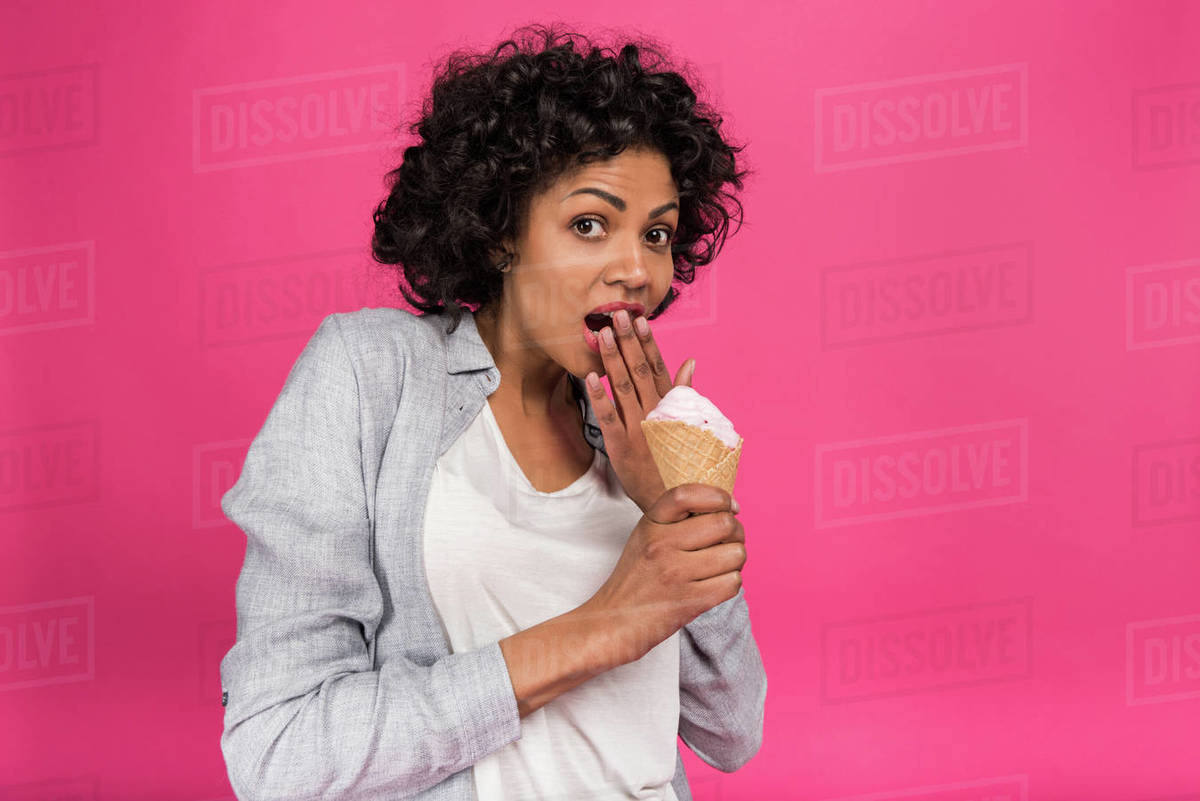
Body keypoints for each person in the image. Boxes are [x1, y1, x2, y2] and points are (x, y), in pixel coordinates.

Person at [218, 22, 766, 801]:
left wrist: (672, 504)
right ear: (501, 234)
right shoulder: (371, 376)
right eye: (589, 223)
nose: (637, 269)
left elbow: (733, 729)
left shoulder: (647, 430)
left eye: (656, 234)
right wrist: (602, 626)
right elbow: (279, 751)